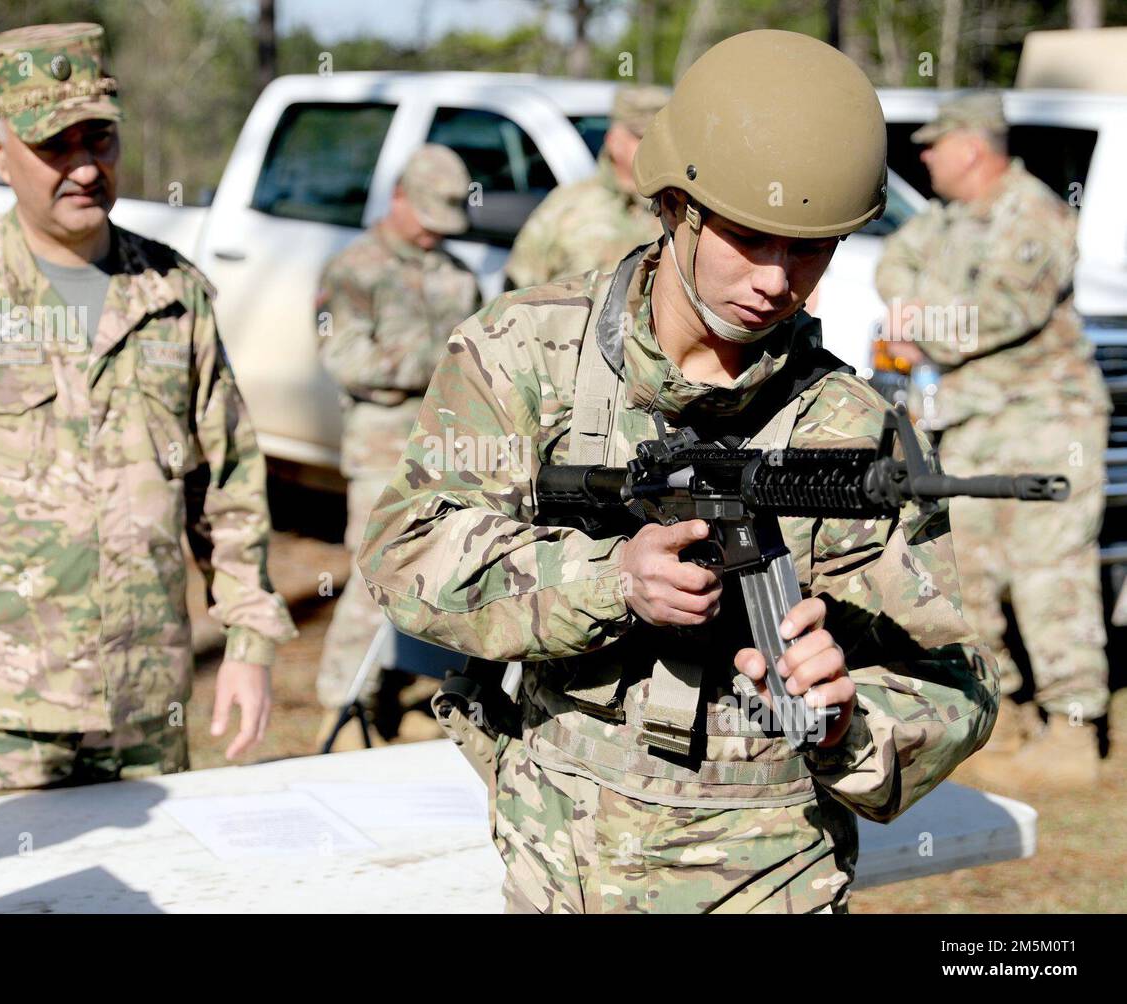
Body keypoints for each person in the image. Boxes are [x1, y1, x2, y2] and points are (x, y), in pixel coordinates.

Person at [358, 30, 998, 913]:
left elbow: (954, 682)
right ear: (673, 204)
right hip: (562, 864)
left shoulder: (854, 428)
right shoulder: (527, 352)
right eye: (749, 236)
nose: (777, 281)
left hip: (774, 880)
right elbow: (403, 553)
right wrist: (606, 580)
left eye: (811, 249)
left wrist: (849, 715)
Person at [0, 22, 296, 807]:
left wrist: (250, 640)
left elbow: (227, 486)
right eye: (55, 145)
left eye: (100, 138)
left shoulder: (171, 295)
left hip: (144, 711)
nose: (86, 167)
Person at [875, 92, 1109, 787]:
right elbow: (893, 266)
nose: (923, 157)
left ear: (971, 148)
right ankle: (1000, 718)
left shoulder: (1034, 213)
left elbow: (1008, 309)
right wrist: (910, 304)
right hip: (971, 422)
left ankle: (1071, 732)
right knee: (965, 571)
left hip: (1044, 423)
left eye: (933, 145)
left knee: (1049, 575)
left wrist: (922, 324)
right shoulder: (945, 219)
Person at [314, 144, 481, 747]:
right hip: (380, 455)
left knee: (441, 572)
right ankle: (342, 708)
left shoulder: (458, 275)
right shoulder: (353, 269)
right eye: (428, 219)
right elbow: (345, 357)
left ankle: (409, 692)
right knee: (368, 584)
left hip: (451, 453)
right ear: (400, 198)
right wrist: (438, 364)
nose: (437, 235)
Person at [503, 84, 668, 289]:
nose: (655, 147)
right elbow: (519, 289)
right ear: (613, 140)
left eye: (662, 139)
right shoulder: (568, 205)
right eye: (642, 138)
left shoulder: (680, 206)